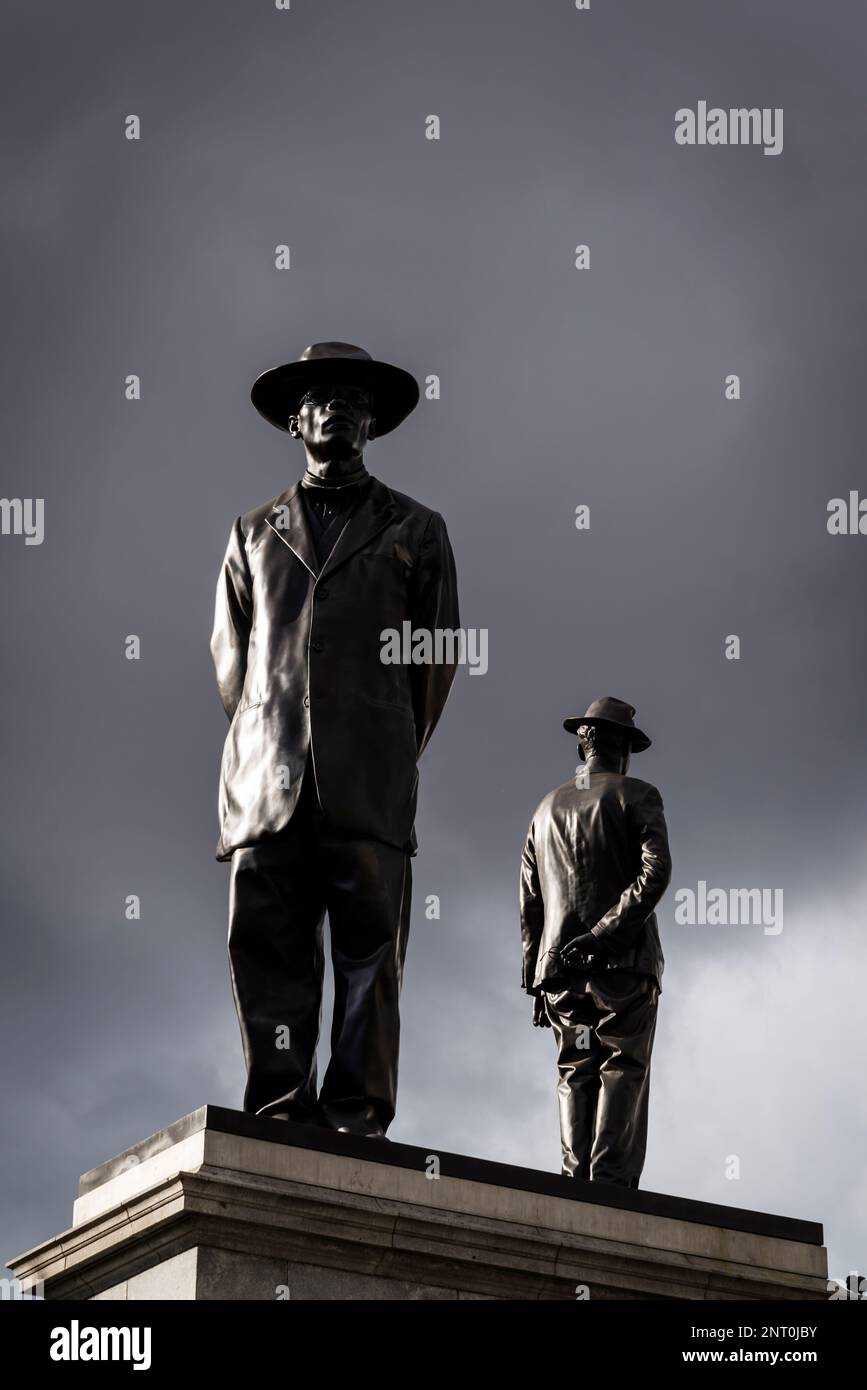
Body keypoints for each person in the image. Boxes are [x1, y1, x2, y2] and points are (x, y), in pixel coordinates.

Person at [211, 342, 459, 1138]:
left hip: (370, 779)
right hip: (266, 778)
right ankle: (280, 1103)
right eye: (320, 398)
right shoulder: (250, 531)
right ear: (294, 420)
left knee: (368, 958)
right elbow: (231, 657)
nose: (338, 409)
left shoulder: (416, 529)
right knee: (269, 951)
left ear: (374, 422)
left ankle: (355, 1115)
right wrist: (269, 733)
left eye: (354, 399)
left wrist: (383, 738)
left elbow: (434, 656)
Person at [520, 696, 671, 1186]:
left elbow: (530, 903)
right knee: (622, 1063)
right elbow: (656, 872)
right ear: (623, 748)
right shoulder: (638, 794)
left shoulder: (544, 810)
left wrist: (535, 978)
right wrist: (605, 938)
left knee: (575, 1069)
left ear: (584, 745)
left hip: (560, 970)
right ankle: (609, 1186)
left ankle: (573, 1180)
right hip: (622, 963)